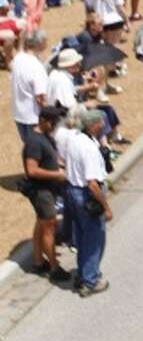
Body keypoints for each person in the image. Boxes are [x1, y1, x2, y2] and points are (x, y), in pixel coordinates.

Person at [62, 107, 112, 296]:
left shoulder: (75, 139)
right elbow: (92, 184)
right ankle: (90, 281)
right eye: (101, 122)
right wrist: (106, 207)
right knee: (94, 239)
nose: (103, 125)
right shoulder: (89, 148)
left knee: (82, 237)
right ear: (92, 125)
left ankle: (83, 274)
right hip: (85, 195)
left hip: (72, 191)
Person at [22, 103, 70, 280]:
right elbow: (32, 170)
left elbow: (50, 160)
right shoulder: (34, 142)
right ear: (42, 120)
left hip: (48, 189)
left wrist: (63, 166)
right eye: (52, 122)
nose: (55, 125)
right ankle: (54, 268)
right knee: (50, 226)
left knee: (42, 224)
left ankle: (38, 261)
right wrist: (57, 174)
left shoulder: (45, 136)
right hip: (41, 192)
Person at [10, 29, 48, 152]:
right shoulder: (37, 66)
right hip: (34, 117)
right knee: (40, 152)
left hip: (19, 115)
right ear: (40, 43)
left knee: (29, 150)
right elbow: (40, 97)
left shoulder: (17, 59)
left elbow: (20, 48)